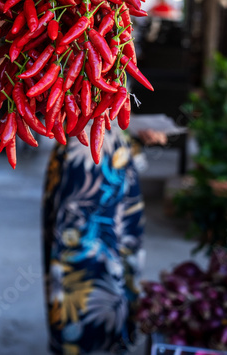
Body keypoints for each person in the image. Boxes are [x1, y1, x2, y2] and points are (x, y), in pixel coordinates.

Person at [42, 123, 166, 354]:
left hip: (116, 159)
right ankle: (76, 342)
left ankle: (111, 338)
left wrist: (137, 127)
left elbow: (118, 109)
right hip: (81, 159)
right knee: (77, 251)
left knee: (119, 248)